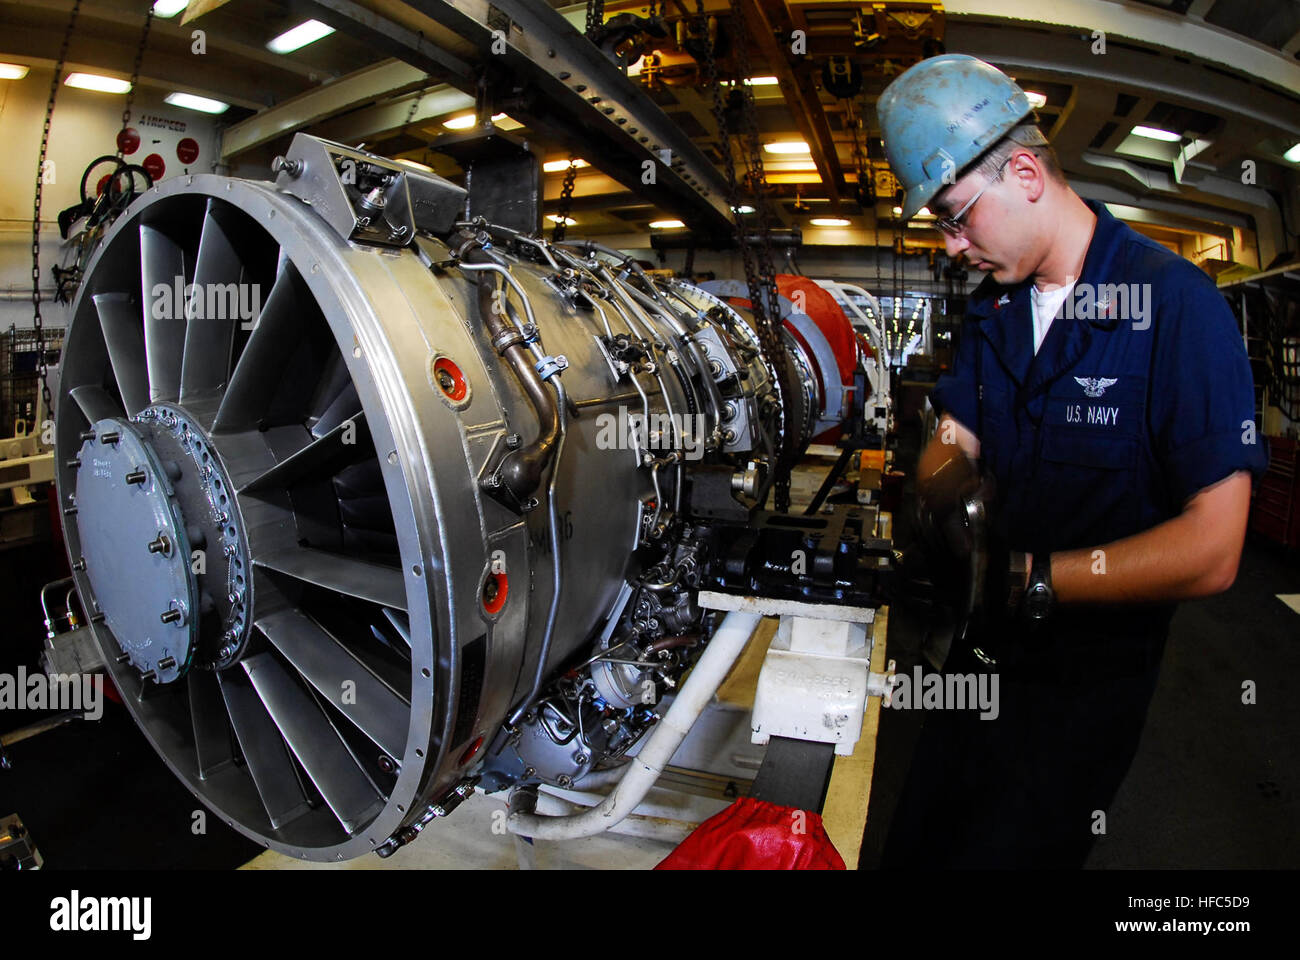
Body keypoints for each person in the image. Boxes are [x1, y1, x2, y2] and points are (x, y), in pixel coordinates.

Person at [874, 54, 1269, 867]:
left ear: (1023, 172)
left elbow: (1215, 548)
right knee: (918, 841)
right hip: (980, 650)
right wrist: (945, 486)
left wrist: (1033, 578)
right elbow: (956, 427)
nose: (952, 247)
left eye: (955, 217)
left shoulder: (1177, 307)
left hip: (1082, 687)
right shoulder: (998, 307)